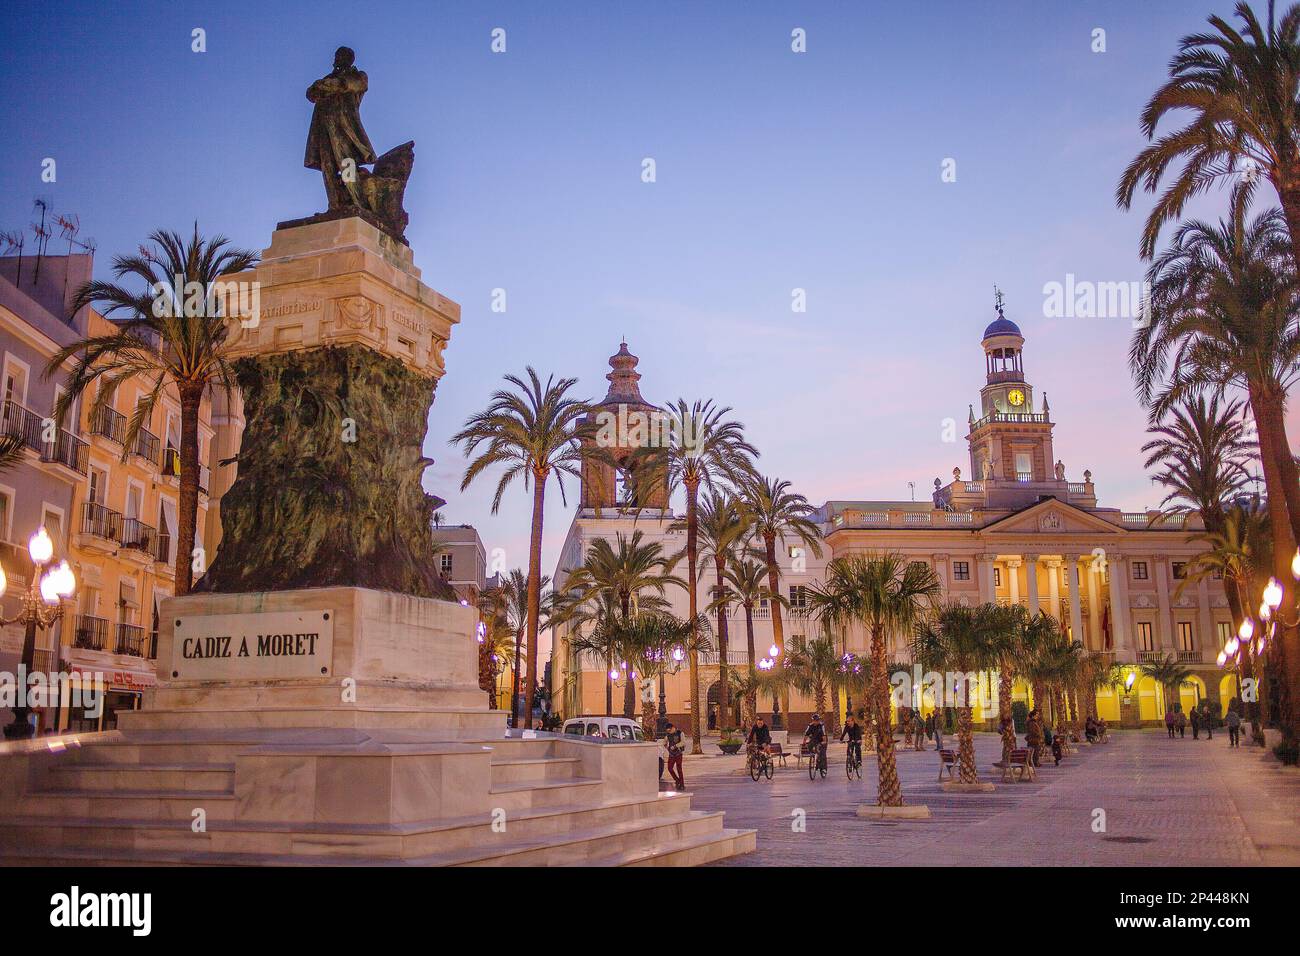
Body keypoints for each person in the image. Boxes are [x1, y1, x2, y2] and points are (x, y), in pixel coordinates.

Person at [663, 721, 685, 788]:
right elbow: (665, 742)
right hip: (671, 754)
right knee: (670, 768)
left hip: (678, 753)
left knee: (679, 769)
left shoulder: (680, 733)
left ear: (673, 728)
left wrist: (675, 746)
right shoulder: (668, 735)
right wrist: (667, 748)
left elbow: (683, 742)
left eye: (670, 730)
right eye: (668, 731)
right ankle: (677, 780)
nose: (669, 732)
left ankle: (682, 784)